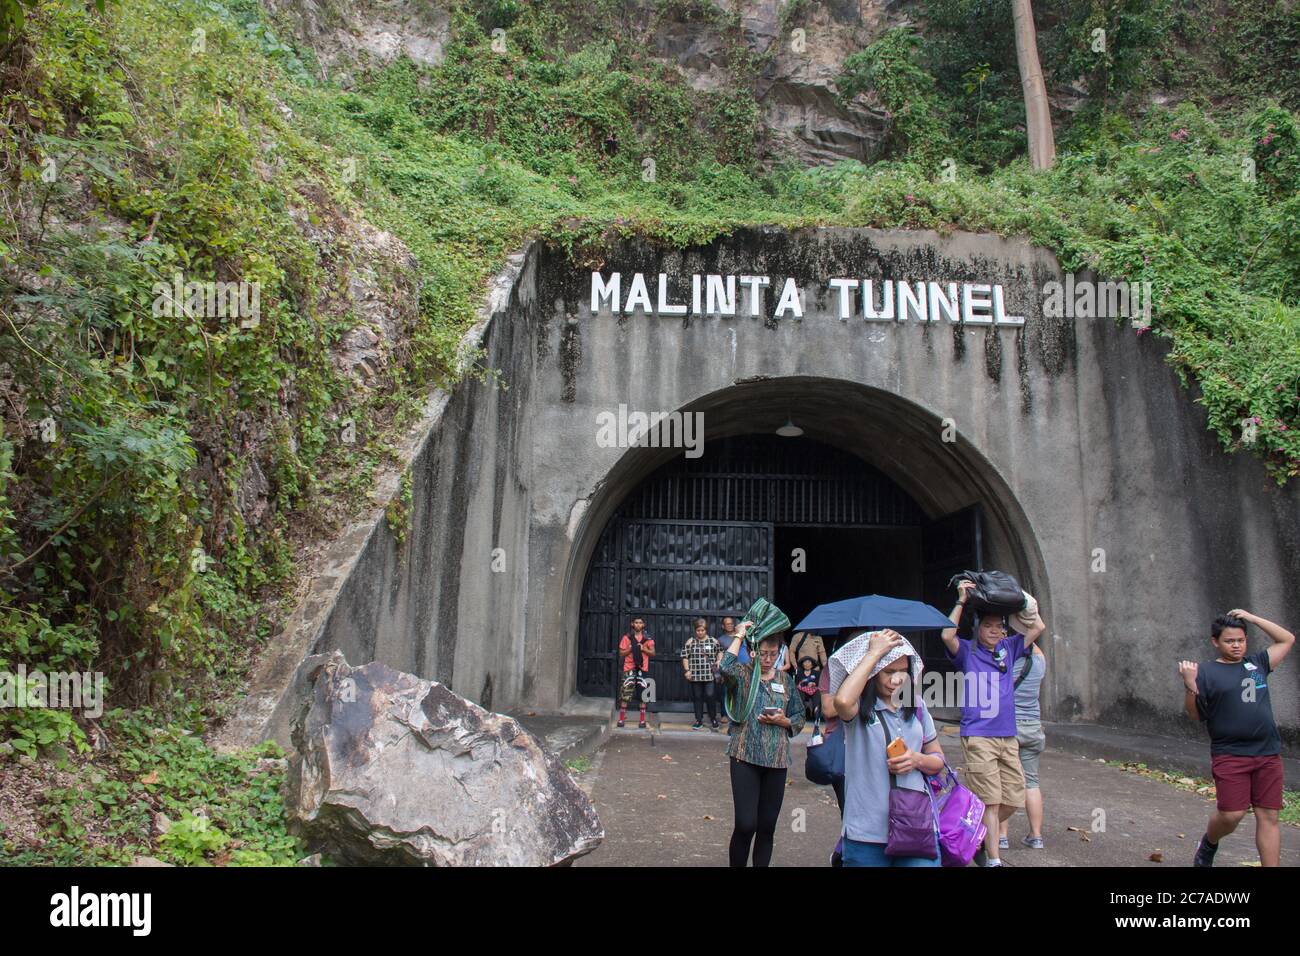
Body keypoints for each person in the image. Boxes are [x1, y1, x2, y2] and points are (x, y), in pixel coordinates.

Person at [941, 579, 1046, 866]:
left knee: (1013, 797)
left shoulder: (1010, 649)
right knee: (991, 800)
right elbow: (946, 635)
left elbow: (1037, 628)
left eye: (1000, 626)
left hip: (1007, 736)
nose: (996, 631)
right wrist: (962, 600)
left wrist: (1023, 600)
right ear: (978, 629)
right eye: (990, 626)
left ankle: (969, 832)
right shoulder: (968, 651)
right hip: (978, 735)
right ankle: (993, 860)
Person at [1180, 609, 1294, 867]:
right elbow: (1195, 714)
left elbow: (1286, 639)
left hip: (1267, 753)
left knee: (1269, 816)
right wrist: (1190, 683)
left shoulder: (1258, 664)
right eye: (1229, 641)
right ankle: (1209, 843)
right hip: (1230, 754)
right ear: (1215, 642)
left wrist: (1252, 618)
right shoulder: (1205, 672)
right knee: (1232, 815)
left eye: (1241, 640)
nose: (1236, 645)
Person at [830, 629, 947, 867]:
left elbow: (938, 760)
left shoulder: (917, 706)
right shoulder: (859, 709)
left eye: (903, 672)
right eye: (888, 672)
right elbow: (841, 701)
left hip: (916, 826)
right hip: (866, 832)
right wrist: (874, 654)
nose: (896, 680)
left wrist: (917, 760)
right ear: (873, 673)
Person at [719, 620, 806, 866]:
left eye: (773, 653)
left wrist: (784, 721)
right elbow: (725, 667)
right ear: (753, 651)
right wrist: (739, 635)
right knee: (746, 824)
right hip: (744, 755)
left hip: (776, 759)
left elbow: (799, 717)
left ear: (779, 653)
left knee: (767, 827)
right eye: (763, 653)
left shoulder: (785, 680)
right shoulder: (744, 674)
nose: (767, 659)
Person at [999, 642, 1047, 850]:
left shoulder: (1009, 661)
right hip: (1034, 727)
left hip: (1012, 727)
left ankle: (1001, 836)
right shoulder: (1040, 660)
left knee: (1003, 782)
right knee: (1031, 782)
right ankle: (1036, 836)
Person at [681, 617, 722, 730]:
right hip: (695, 675)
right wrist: (687, 670)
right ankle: (698, 720)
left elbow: (720, 651)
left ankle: (713, 718)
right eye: (698, 630)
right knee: (697, 697)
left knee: (710, 696)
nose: (700, 632)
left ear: (706, 630)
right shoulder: (690, 642)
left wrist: (719, 660)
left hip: (709, 675)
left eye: (702, 630)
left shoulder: (713, 641)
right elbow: (685, 657)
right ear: (695, 630)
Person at [617, 617, 655, 729]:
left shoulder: (648, 638)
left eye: (640, 623)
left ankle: (642, 721)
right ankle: (621, 719)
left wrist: (643, 648)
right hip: (629, 668)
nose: (638, 625)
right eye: (636, 623)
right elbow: (621, 653)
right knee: (625, 694)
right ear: (632, 624)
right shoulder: (627, 637)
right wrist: (630, 649)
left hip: (642, 668)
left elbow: (653, 653)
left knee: (643, 695)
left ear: (643, 625)